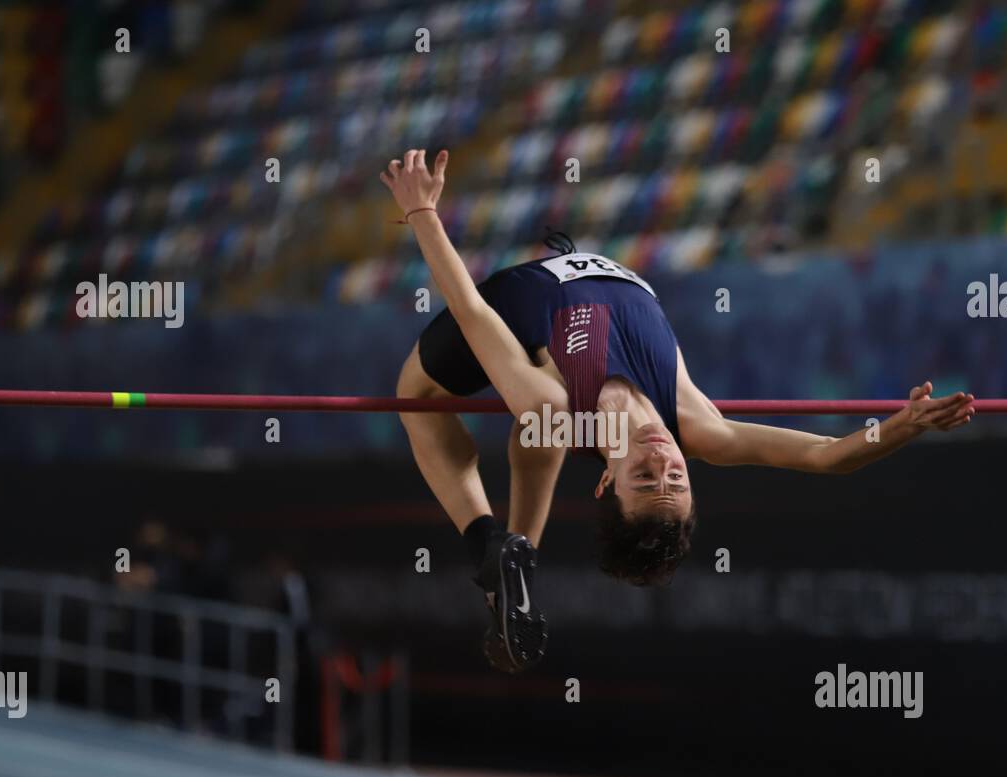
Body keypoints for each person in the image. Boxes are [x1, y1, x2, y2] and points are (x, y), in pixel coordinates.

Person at [382, 149, 975, 674]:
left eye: (646, 477)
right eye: (677, 478)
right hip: (602, 299)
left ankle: (492, 539)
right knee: (543, 432)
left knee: (421, 400)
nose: (665, 460)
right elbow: (825, 457)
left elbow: (470, 310)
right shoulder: (697, 425)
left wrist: (423, 214)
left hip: (519, 299)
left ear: (607, 481)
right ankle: (515, 556)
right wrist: (898, 429)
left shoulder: (553, 401)